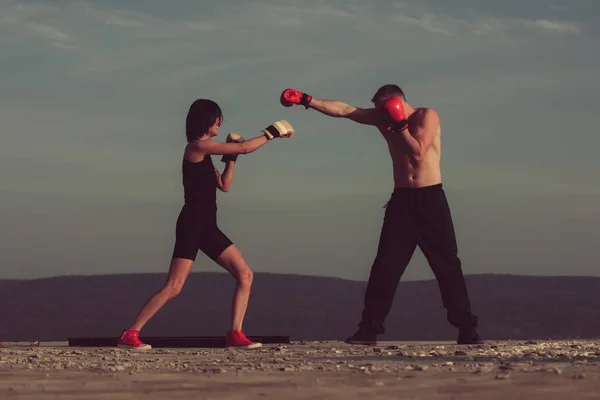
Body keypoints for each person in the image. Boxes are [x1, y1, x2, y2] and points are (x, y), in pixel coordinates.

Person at [279, 85, 483, 345]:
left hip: (431, 199)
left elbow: (418, 152)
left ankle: (467, 329)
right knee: (385, 268)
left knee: (447, 266)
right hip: (402, 201)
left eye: (384, 111)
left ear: (396, 103)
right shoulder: (382, 118)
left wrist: (399, 123)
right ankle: (369, 330)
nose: (381, 119)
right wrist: (306, 100)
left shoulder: (426, 116)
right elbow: (344, 110)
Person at [117, 99, 295, 350]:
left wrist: (230, 158)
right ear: (206, 120)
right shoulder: (196, 148)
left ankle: (235, 334)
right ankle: (130, 334)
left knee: (245, 275)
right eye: (216, 118)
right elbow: (245, 148)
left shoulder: (207, 153)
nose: (220, 122)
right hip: (192, 223)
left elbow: (225, 185)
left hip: (208, 226)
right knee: (174, 286)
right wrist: (273, 132)